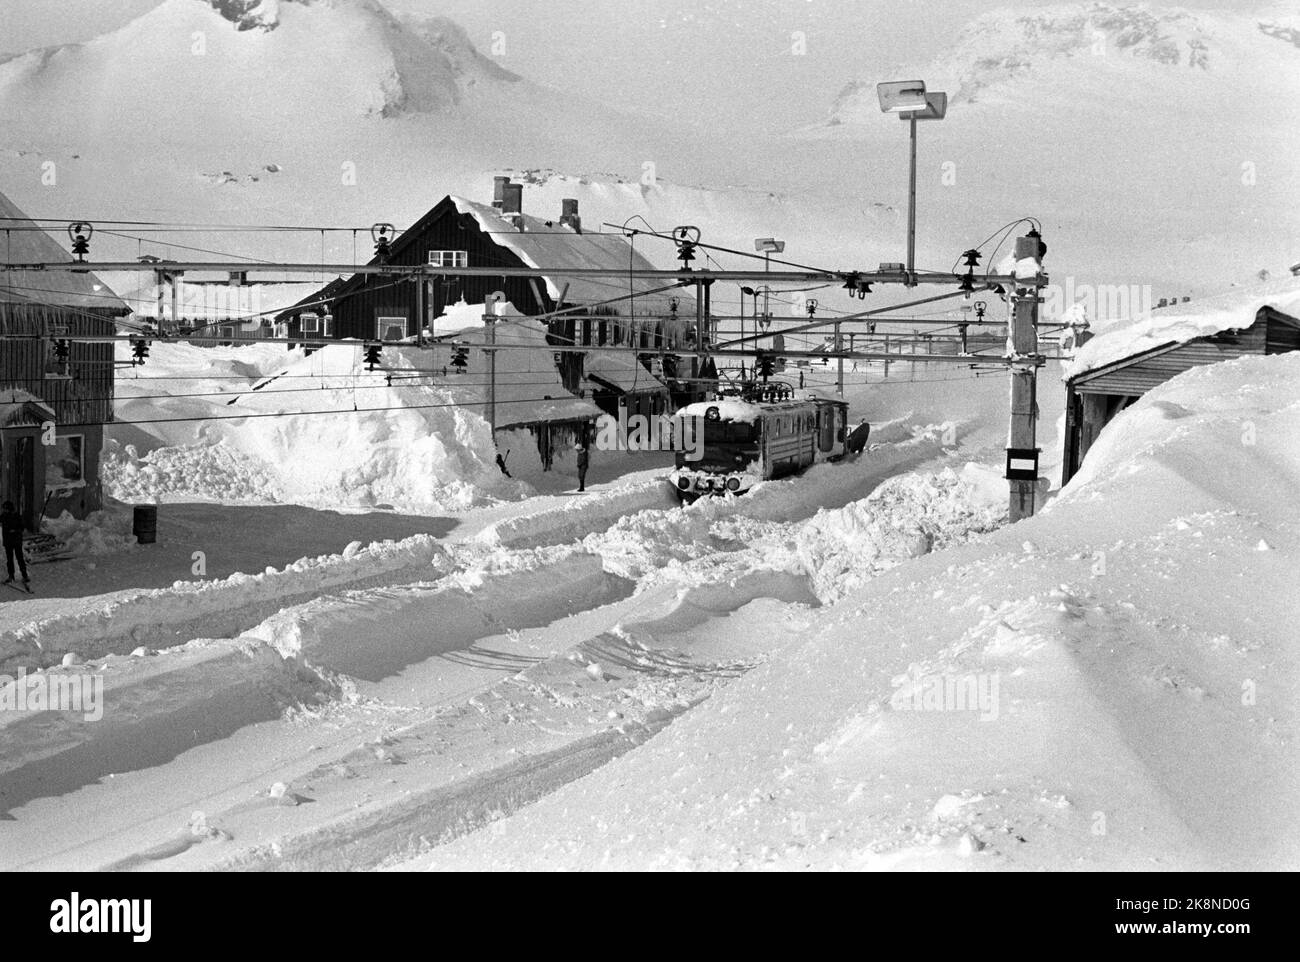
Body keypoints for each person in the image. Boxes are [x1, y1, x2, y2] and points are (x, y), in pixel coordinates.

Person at [1, 500, 30, 586]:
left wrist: (15, 530)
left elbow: (22, 527)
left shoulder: (17, 516)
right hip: (8, 542)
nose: (4, 510)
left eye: (5, 508)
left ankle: (25, 575)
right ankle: (11, 576)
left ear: (9, 508)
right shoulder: (4, 516)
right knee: (9, 560)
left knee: (20, 558)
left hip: (16, 541)